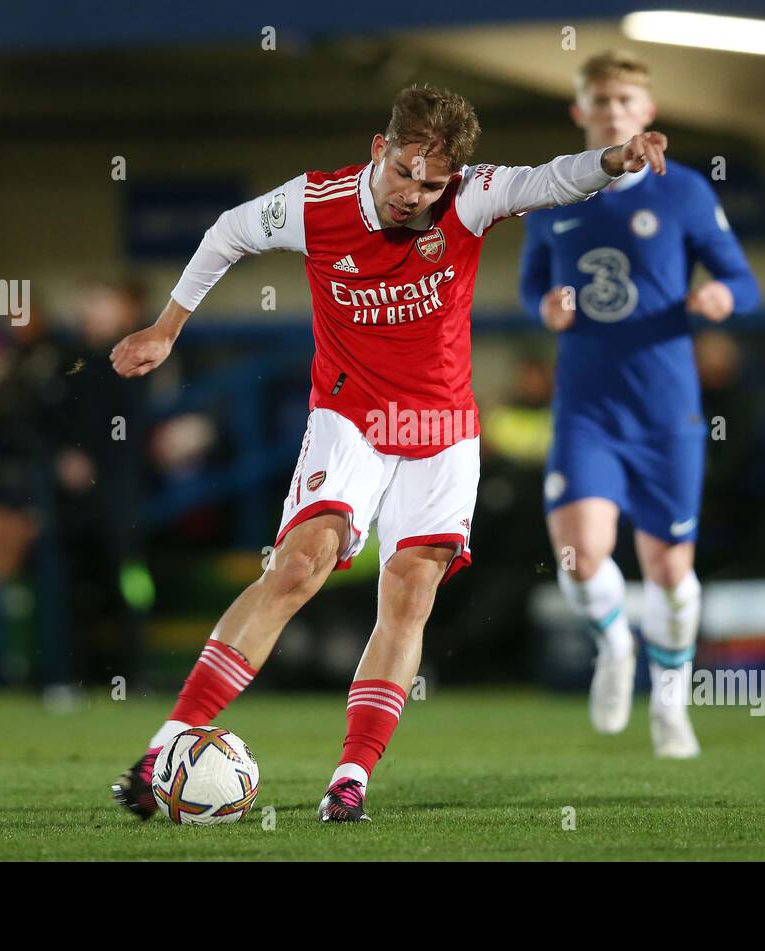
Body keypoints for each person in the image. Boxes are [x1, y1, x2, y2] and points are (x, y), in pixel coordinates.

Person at [109, 83, 668, 822]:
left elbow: (553, 179)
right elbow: (226, 232)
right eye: (406, 172)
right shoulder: (314, 205)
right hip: (350, 418)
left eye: (432, 184)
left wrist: (615, 157)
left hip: (441, 432)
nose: (415, 194)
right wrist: (167, 328)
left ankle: (349, 781)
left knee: (408, 599)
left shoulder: (470, 199)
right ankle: (166, 747)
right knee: (298, 567)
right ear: (380, 149)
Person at [519, 51, 759, 755]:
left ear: (646, 111)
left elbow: (743, 278)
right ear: (580, 112)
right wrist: (547, 305)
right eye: (601, 99)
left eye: (627, 98)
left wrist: (721, 296)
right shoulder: (553, 194)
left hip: (665, 407)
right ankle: (615, 646)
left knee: (668, 571)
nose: (614, 109)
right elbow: (533, 282)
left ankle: (672, 703)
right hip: (587, 406)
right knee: (581, 557)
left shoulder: (681, 191)